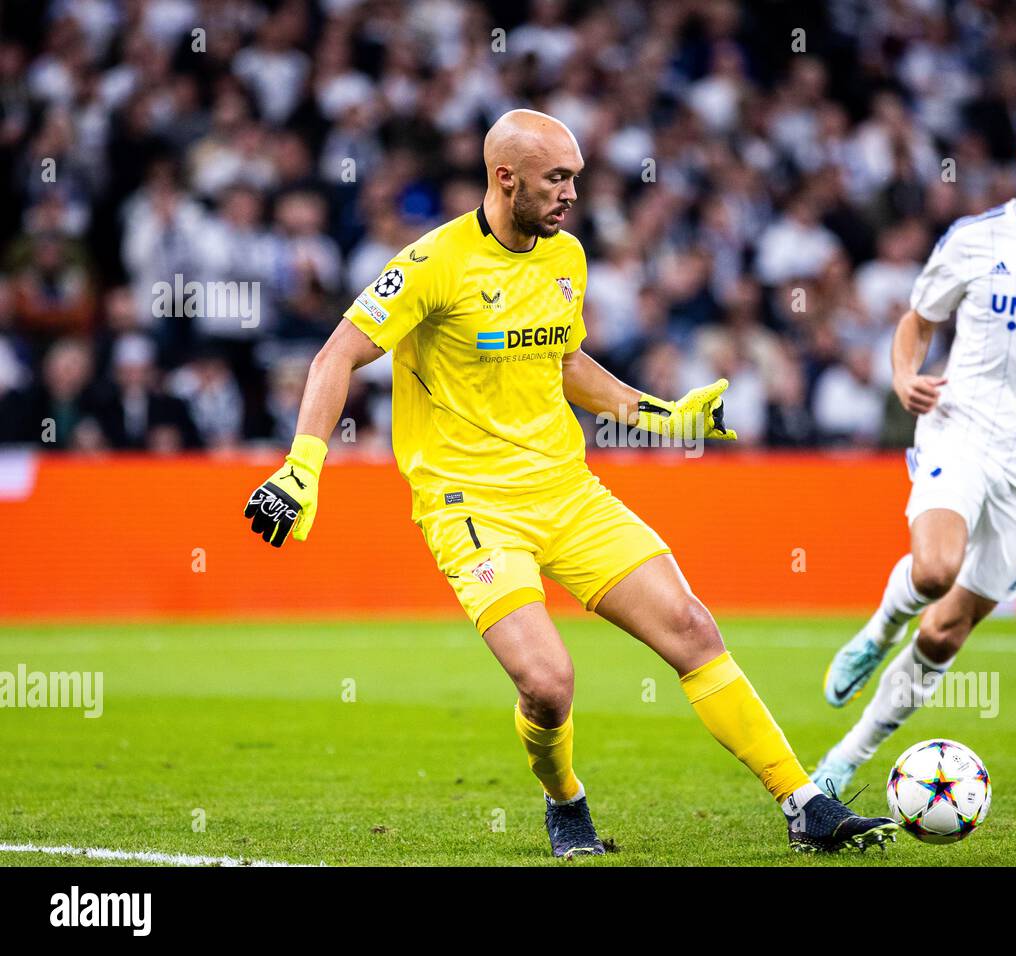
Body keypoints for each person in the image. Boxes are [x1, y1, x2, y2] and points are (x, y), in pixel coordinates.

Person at [243, 109, 897, 858]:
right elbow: (333, 357)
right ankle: (566, 801)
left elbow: (565, 361)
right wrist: (301, 467)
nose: (572, 195)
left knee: (692, 628)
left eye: (576, 178)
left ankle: (804, 801)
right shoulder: (433, 264)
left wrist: (661, 418)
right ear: (505, 178)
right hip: (471, 506)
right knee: (549, 684)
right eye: (557, 179)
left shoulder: (567, 257)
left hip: (566, 489)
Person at [815, 103, 1016, 796]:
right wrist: (904, 376)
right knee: (933, 571)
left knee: (944, 634)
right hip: (960, 431)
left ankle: (847, 757)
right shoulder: (973, 239)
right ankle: (876, 632)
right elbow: (917, 321)